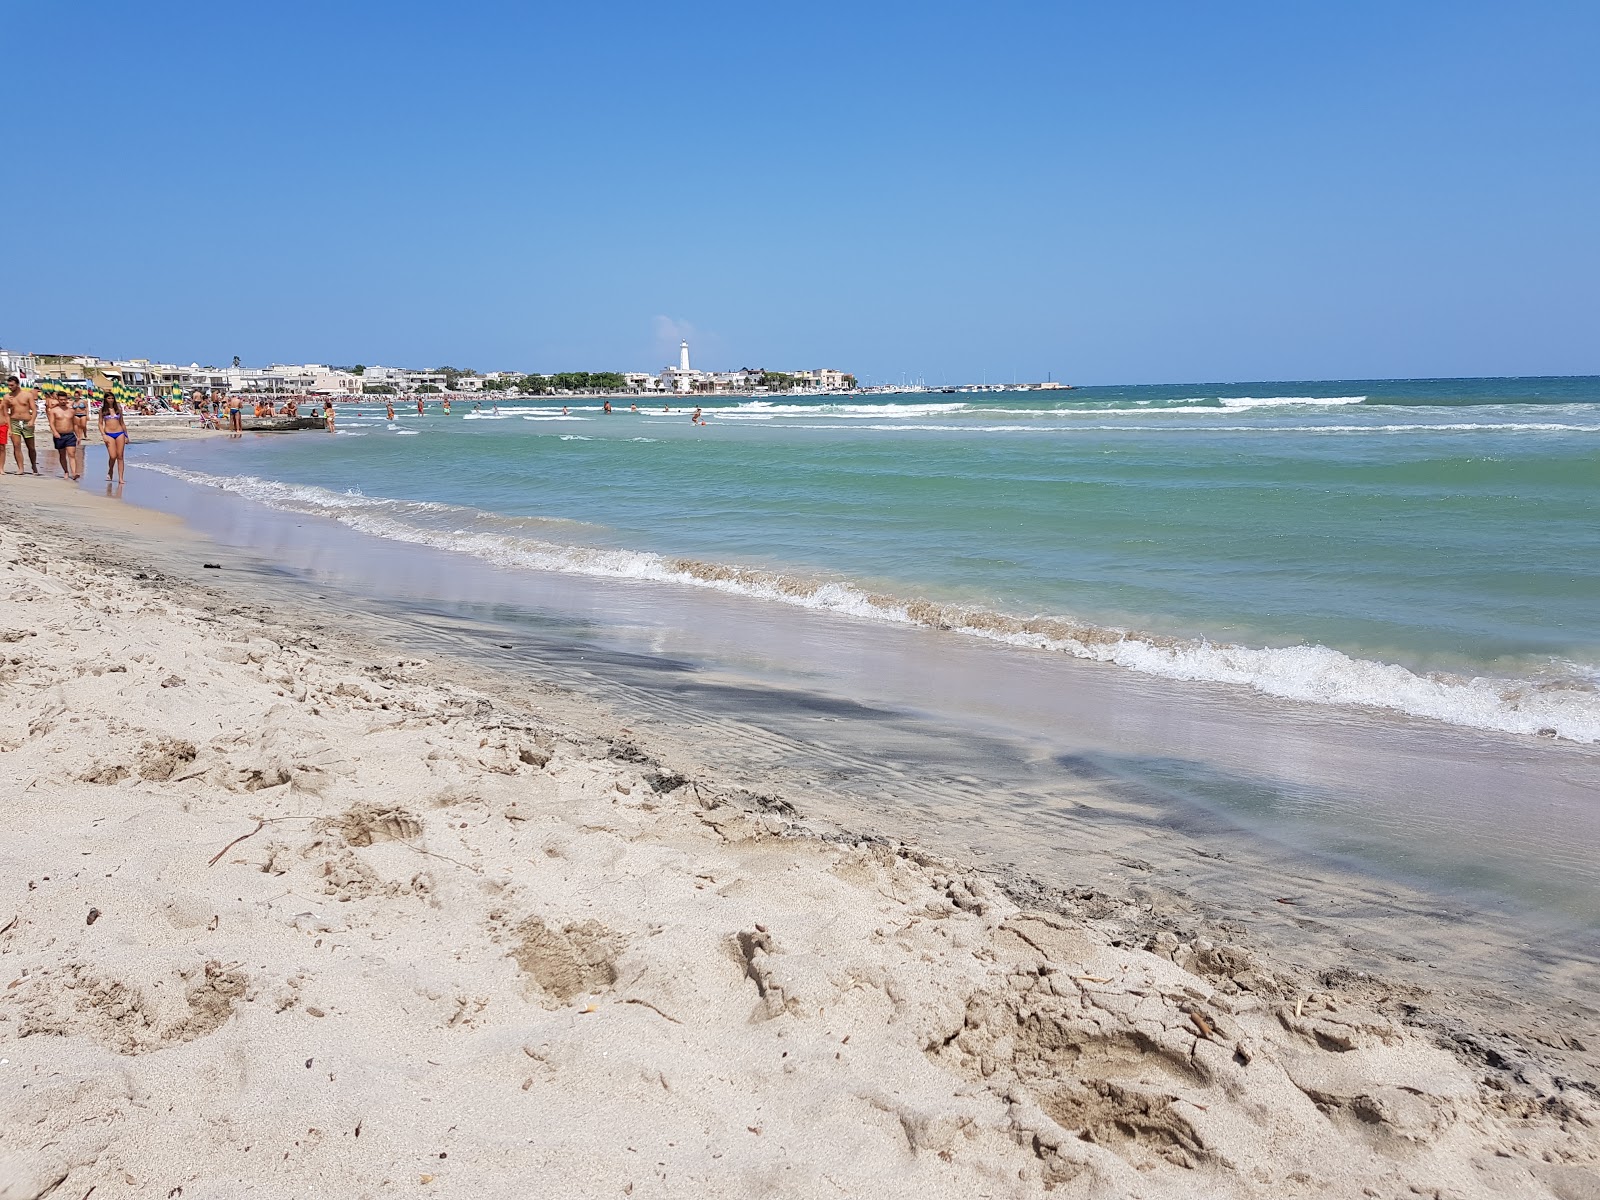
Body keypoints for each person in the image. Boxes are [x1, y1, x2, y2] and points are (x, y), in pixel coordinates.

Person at [5, 376, 39, 474]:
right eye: (9, 385)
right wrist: (9, 428)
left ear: (17, 384)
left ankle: (33, 465)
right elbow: (6, 412)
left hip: (26, 421)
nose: (10, 387)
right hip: (14, 421)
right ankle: (20, 468)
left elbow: (34, 409)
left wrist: (32, 420)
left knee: (31, 447)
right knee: (16, 445)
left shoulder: (27, 395)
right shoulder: (7, 397)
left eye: (12, 385)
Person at [46, 391, 78, 478]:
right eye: (61, 400)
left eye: (64, 399)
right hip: (59, 435)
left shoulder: (71, 410)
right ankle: (66, 471)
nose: (63, 401)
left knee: (72, 454)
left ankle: (74, 473)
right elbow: (51, 423)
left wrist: (78, 435)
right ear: (58, 400)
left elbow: (74, 424)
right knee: (62, 454)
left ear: (67, 399)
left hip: (70, 435)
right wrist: (55, 432)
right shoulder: (53, 411)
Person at [99, 391, 128, 484]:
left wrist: (126, 435)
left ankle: (121, 478)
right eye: (108, 398)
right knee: (113, 456)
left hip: (120, 433)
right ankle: (110, 470)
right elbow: (100, 424)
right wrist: (103, 434)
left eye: (112, 398)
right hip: (108, 434)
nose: (110, 400)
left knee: (120, 456)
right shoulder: (102, 410)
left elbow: (122, 423)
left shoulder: (118, 409)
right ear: (105, 399)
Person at [71, 391, 90, 478]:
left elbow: (86, 408)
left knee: (83, 425)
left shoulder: (83, 402)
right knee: (76, 426)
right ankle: (79, 436)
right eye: (75, 396)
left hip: (82, 414)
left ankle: (84, 433)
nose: (76, 397)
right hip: (76, 415)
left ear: (79, 396)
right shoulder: (73, 402)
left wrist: (87, 415)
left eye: (77, 396)